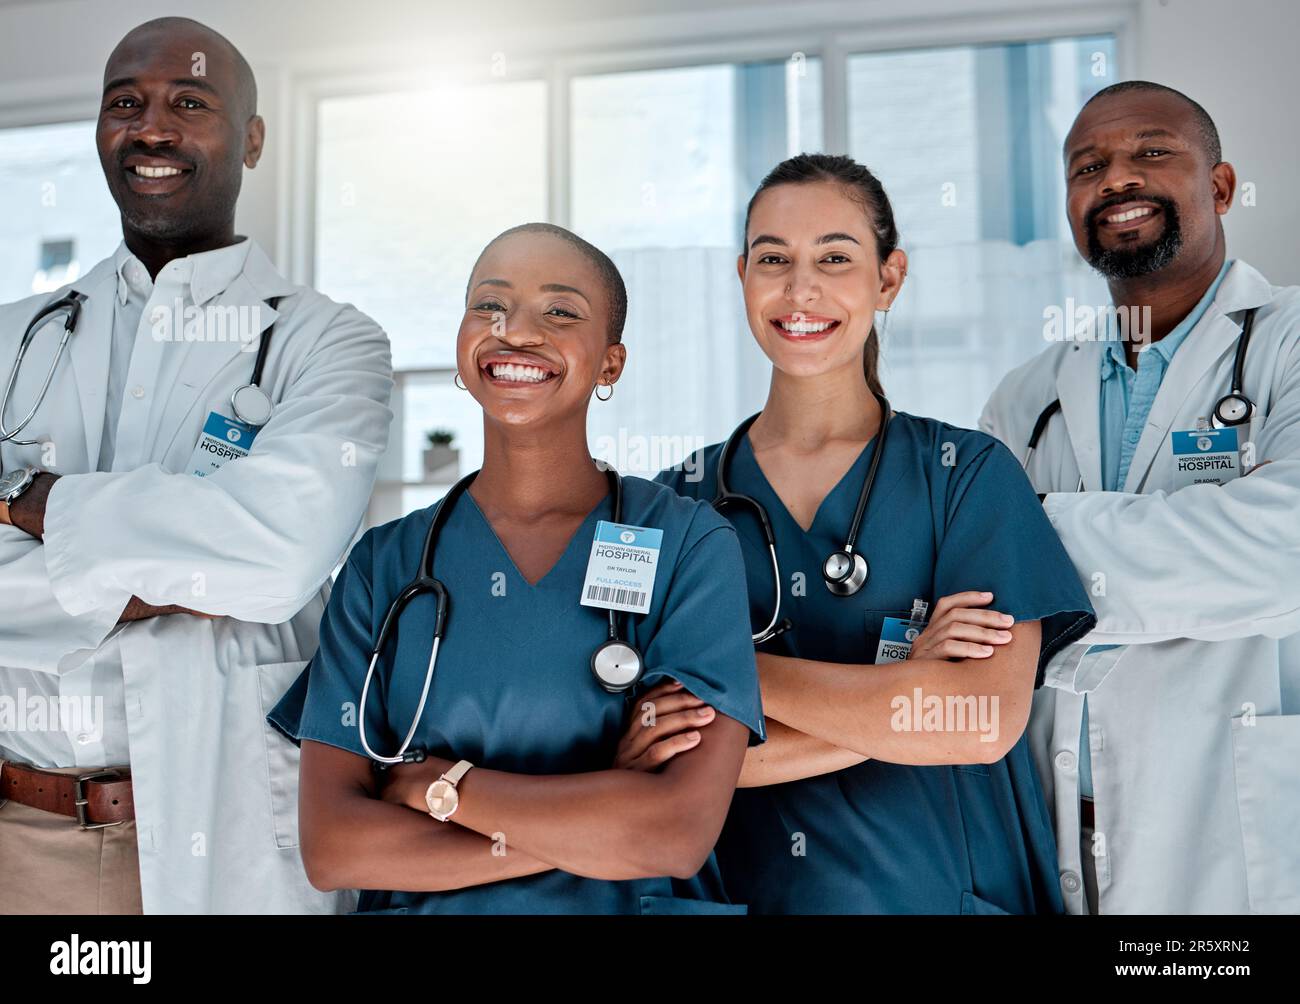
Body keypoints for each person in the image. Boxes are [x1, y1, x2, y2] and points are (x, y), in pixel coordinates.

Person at [0, 17, 392, 914]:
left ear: (252, 139)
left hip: (231, 832)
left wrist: (31, 508)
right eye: (126, 104)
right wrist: (175, 570)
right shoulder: (10, 339)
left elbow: (277, 559)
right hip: (29, 837)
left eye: (191, 102)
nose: (153, 128)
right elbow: (237, 565)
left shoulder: (329, 343)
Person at [267, 222, 765, 914]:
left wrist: (442, 788)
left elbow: (673, 833)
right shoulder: (384, 566)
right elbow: (335, 847)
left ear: (611, 364)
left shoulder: (685, 543)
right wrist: (598, 807)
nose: (517, 332)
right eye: (489, 306)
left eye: (560, 312)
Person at [656, 153, 1096, 914]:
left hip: (943, 891)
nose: (800, 289)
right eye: (773, 259)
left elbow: (981, 718)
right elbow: (662, 757)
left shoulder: (965, 475)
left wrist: (731, 675)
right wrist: (907, 692)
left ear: (888, 279)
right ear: (742, 276)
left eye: (835, 257)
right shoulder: (676, 505)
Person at [980, 81, 1300, 914]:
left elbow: (1285, 552)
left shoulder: (1290, 343)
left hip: (1237, 835)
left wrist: (1032, 539)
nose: (1117, 179)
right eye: (1088, 166)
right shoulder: (1028, 395)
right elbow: (979, 609)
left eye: (1151, 152)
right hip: (1060, 830)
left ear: (1221, 187)